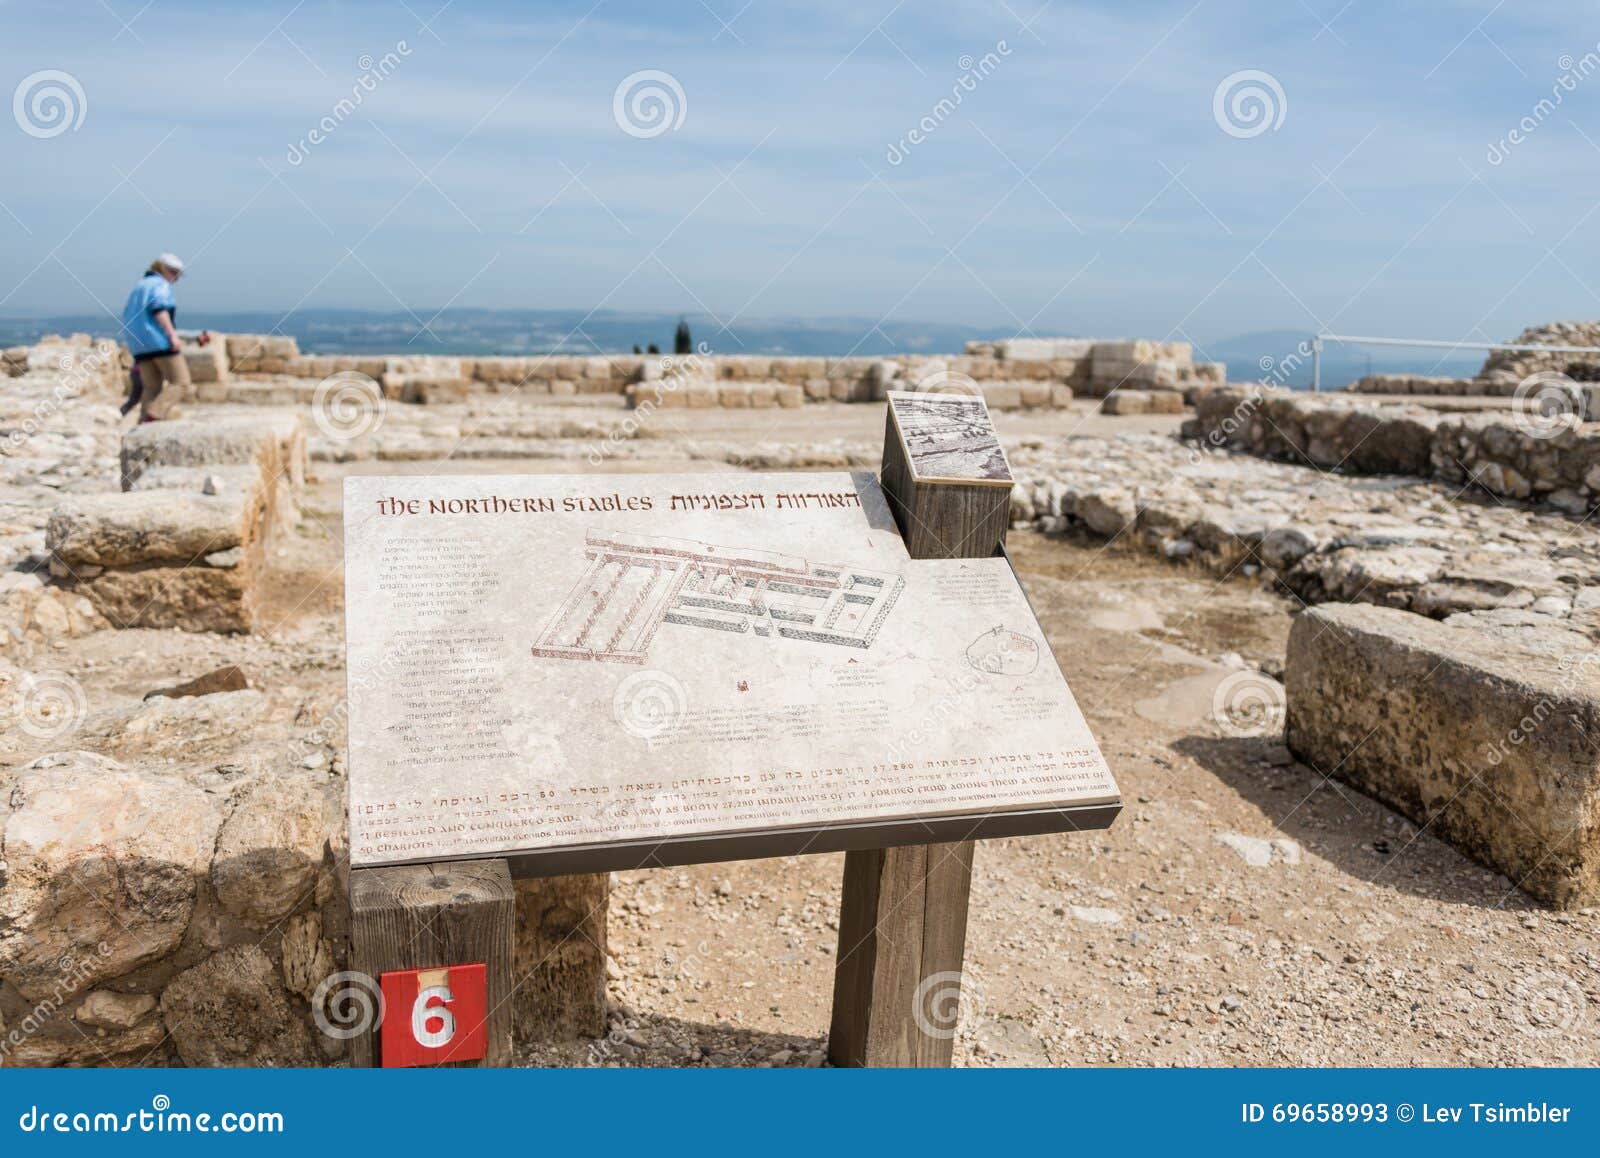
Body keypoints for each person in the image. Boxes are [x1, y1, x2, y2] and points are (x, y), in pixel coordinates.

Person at [119, 253, 191, 421]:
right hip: (158, 341)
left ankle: (143, 425)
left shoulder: (139, 286)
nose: (176, 278)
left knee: (151, 387)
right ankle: (155, 414)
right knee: (181, 381)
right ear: (162, 268)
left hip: (138, 346)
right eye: (174, 273)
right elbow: (159, 309)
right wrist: (172, 336)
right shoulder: (160, 285)